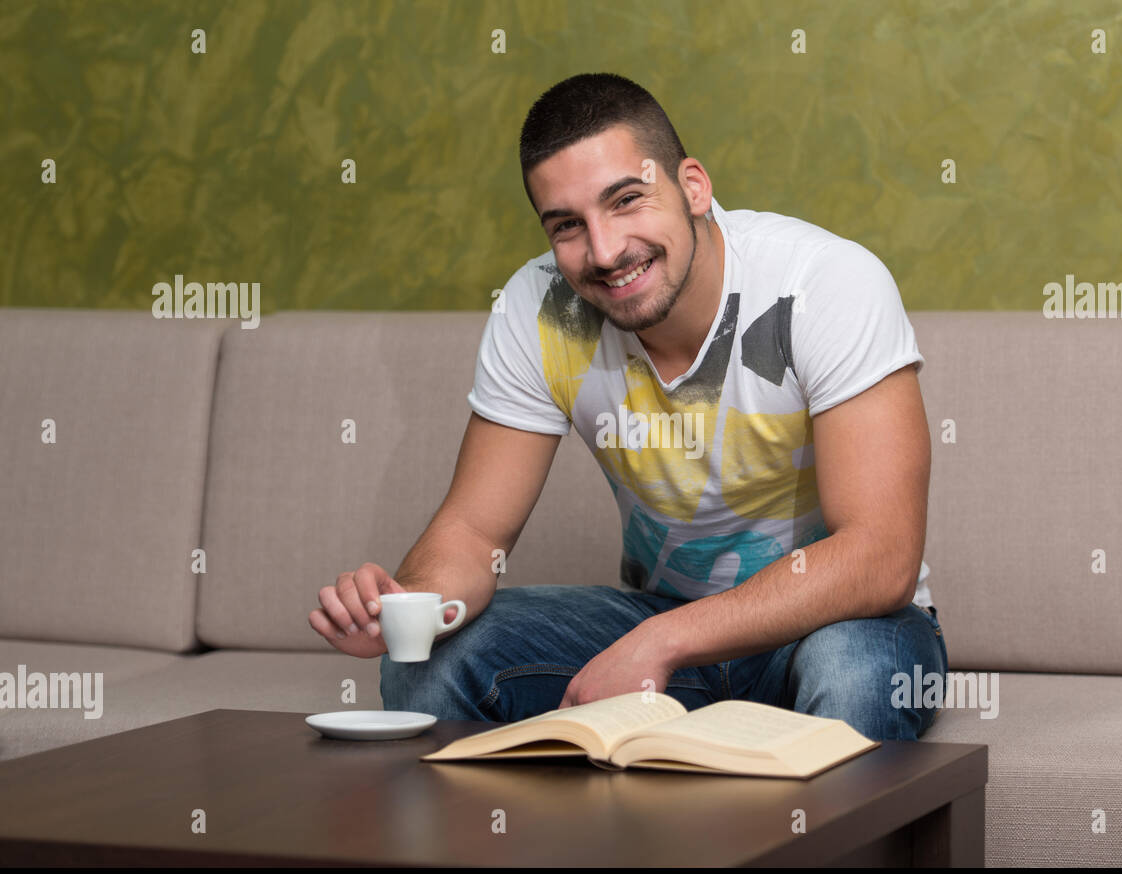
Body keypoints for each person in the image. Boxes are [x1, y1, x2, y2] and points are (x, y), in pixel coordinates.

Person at [308, 72, 947, 741]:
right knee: (429, 664)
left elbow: (881, 554)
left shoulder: (824, 284)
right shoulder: (540, 309)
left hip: (830, 627)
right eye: (568, 226)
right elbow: (472, 533)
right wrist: (408, 606)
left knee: (859, 675)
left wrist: (665, 639)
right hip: (660, 619)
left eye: (627, 201)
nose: (606, 250)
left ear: (693, 187)